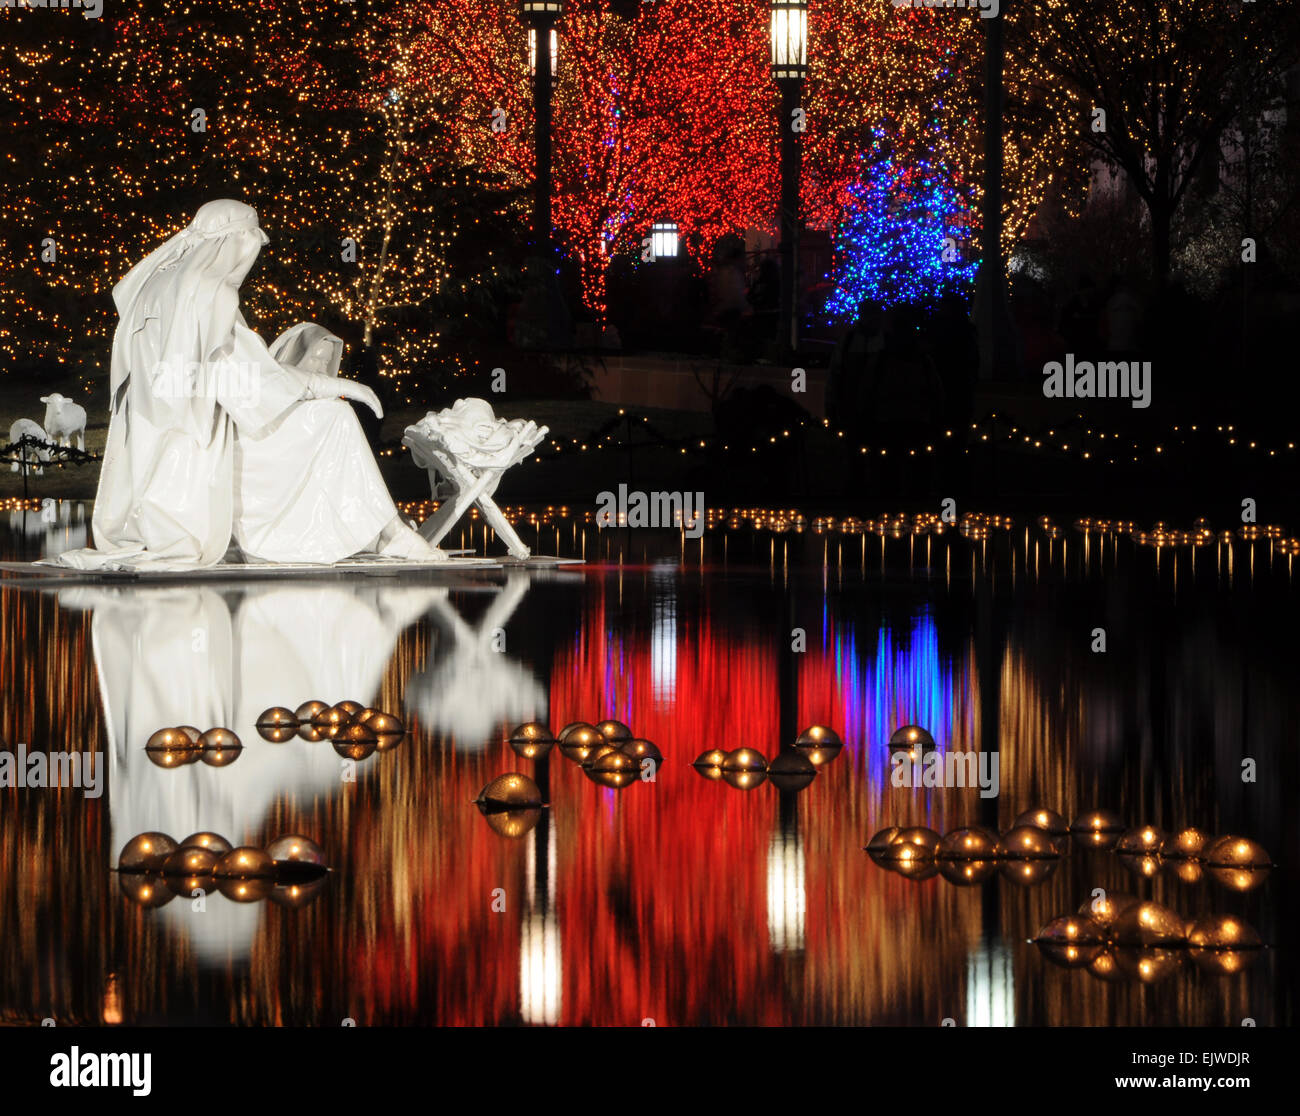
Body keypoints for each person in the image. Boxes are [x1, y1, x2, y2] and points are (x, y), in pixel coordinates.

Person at [51, 199, 442, 570]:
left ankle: (372, 530)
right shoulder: (208, 291)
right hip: (196, 451)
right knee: (333, 417)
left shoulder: (151, 286)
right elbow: (245, 381)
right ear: (235, 242)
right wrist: (328, 385)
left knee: (317, 419)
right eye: (252, 243)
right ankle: (386, 534)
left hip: (154, 455)